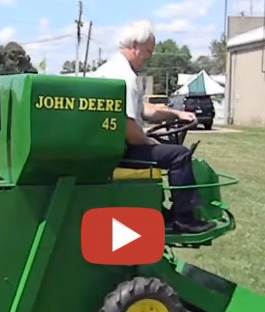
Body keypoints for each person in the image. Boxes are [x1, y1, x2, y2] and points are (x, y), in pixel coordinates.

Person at [92, 20, 215, 234]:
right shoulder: (126, 78)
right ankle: (185, 219)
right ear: (134, 46)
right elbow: (128, 127)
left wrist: (176, 114)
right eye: (148, 50)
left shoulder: (107, 70)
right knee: (179, 155)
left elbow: (144, 110)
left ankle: (158, 210)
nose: (149, 55)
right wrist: (149, 141)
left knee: (163, 150)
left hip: (105, 149)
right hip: (122, 150)